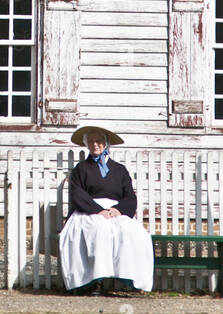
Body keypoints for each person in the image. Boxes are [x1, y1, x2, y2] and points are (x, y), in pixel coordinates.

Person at [58, 125, 154, 293]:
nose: (95, 144)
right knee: (97, 228)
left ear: (106, 144)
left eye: (99, 141)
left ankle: (128, 276)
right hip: (88, 211)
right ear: (87, 145)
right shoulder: (81, 169)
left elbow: (130, 196)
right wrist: (97, 210)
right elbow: (77, 194)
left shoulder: (120, 170)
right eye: (92, 141)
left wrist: (118, 210)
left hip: (115, 211)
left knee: (130, 231)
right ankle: (95, 280)